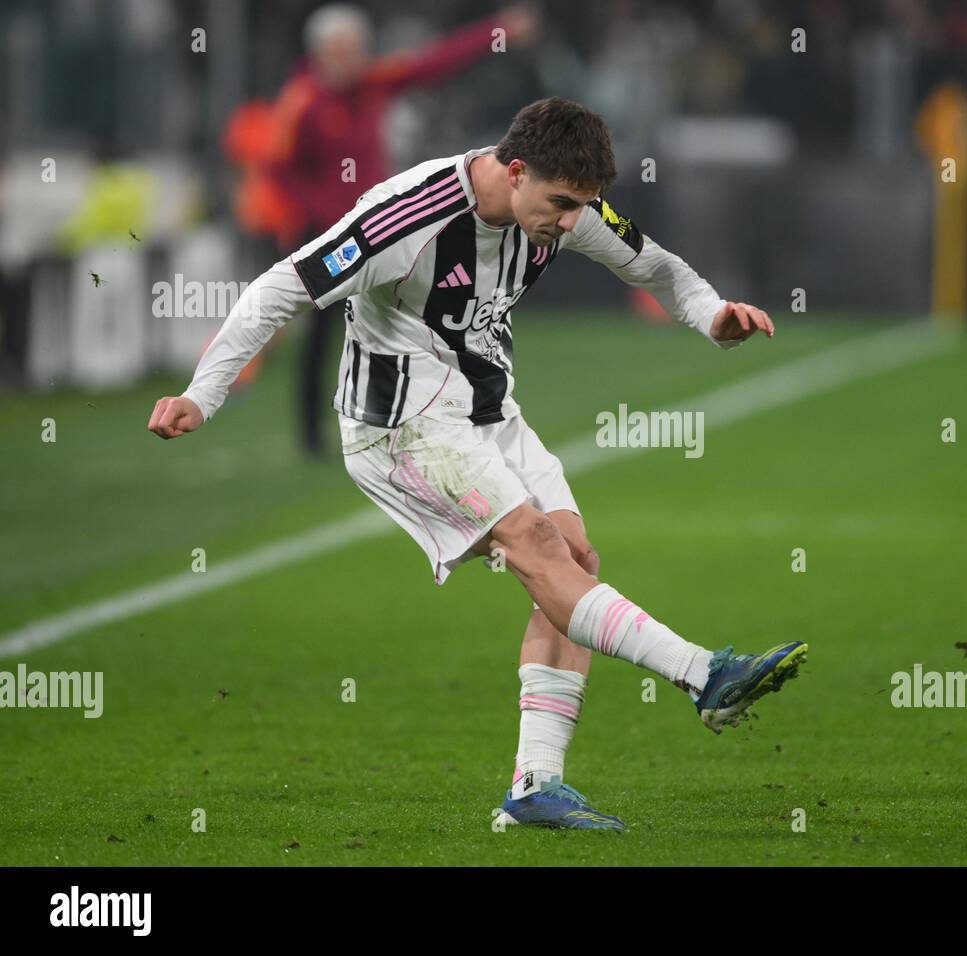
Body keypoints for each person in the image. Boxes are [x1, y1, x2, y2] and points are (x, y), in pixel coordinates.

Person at [148, 97, 807, 831]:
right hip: (398, 424)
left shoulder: (568, 206)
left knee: (576, 556)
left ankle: (534, 789)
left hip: (485, 412)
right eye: (559, 204)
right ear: (515, 170)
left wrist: (711, 314)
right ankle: (703, 672)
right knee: (533, 543)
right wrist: (203, 395)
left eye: (581, 207)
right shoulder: (407, 218)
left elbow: (658, 266)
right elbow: (281, 288)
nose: (570, 222)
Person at [229, 3, 539, 457]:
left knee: (404, 320)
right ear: (320, 53)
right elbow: (278, 171)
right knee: (317, 337)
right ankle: (309, 432)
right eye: (342, 51)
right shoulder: (303, 102)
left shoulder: (372, 84)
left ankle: (411, 419)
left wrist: (497, 31)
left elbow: (434, 62)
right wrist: (314, 218)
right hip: (326, 235)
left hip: (382, 233)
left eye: (356, 49)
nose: (352, 59)